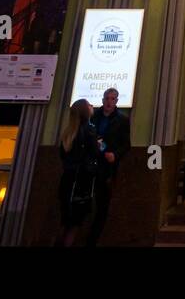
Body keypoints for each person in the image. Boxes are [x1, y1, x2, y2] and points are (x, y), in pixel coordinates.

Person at [86, 87, 131, 246]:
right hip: (89, 164)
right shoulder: (93, 117)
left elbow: (126, 145)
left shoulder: (122, 120)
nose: (109, 102)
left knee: (102, 205)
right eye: (107, 98)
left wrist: (115, 155)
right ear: (103, 99)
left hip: (106, 167)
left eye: (113, 99)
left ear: (117, 101)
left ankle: (92, 240)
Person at [56, 99, 95, 247]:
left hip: (67, 181)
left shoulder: (68, 133)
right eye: (89, 105)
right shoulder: (89, 131)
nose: (92, 106)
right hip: (81, 183)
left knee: (65, 222)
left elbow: (63, 156)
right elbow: (94, 154)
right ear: (85, 112)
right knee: (74, 225)